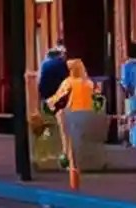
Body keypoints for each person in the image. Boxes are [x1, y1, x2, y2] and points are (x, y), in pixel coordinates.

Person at [46, 58, 97, 188]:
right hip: (89, 114)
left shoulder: (68, 82)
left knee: (65, 133)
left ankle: (68, 159)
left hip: (73, 113)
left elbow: (58, 97)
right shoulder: (89, 83)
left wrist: (49, 103)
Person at [38, 46, 69, 112]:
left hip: (45, 93)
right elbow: (65, 77)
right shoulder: (60, 63)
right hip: (56, 93)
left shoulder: (44, 63)